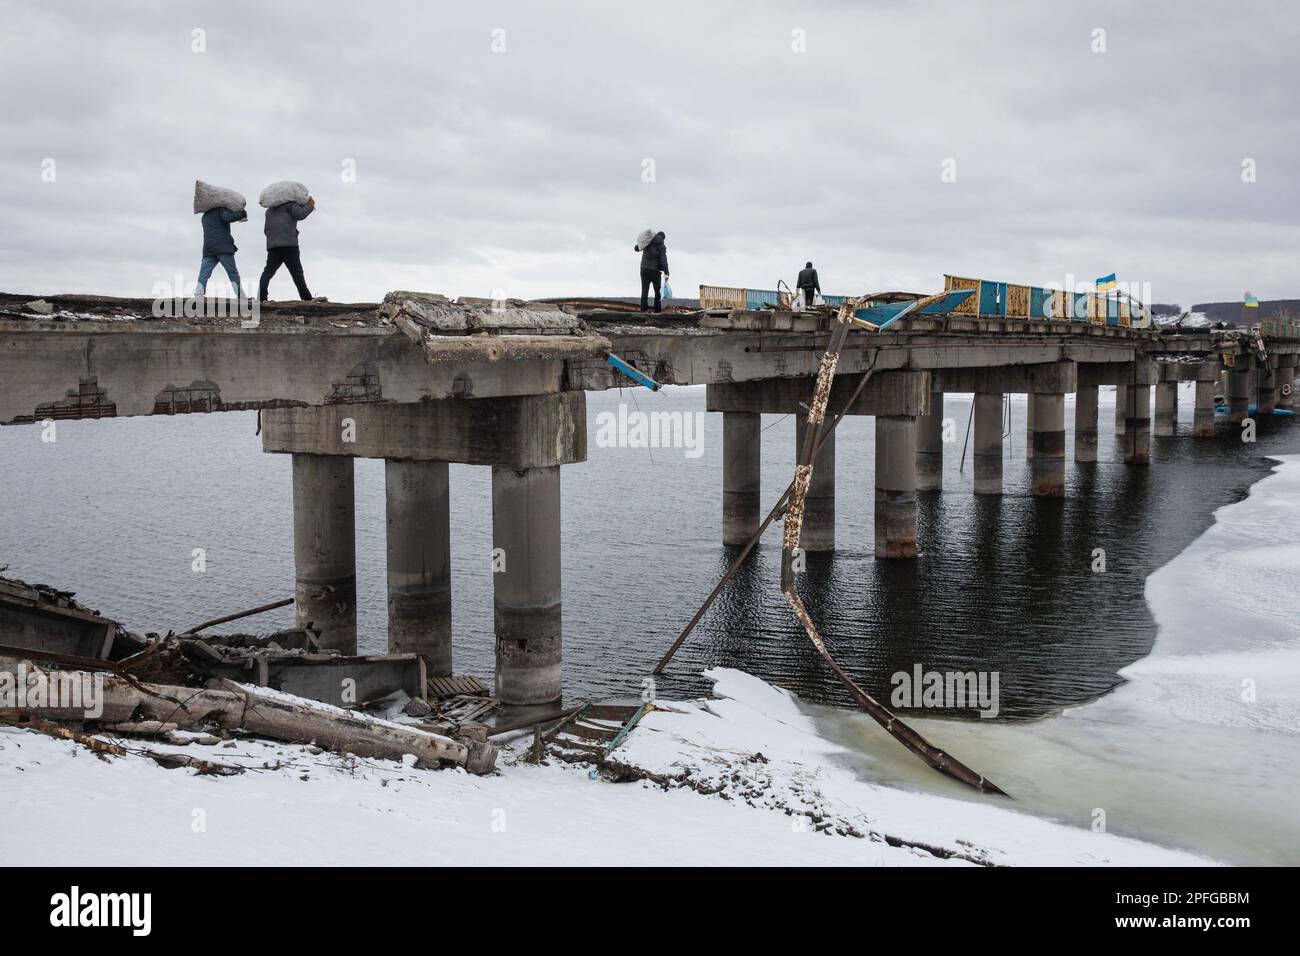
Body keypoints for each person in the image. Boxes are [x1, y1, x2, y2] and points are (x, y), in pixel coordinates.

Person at [258, 195, 316, 301]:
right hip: (289, 245)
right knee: (297, 273)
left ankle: (261, 298)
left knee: (268, 272)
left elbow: (266, 230)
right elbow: (300, 214)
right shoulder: (290, 205)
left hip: (273, 246)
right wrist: (310, 205)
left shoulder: (269, 211)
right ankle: (306, 298)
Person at [196, 206, 247, 299]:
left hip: (209, 248)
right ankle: (240, 296)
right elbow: (228, 217)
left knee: (204, 272)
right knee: (232, 272)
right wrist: (241, 214)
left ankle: (198, 294)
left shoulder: (205, 216)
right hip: (223, 247)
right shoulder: (220, 210)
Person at [635, 228, 670, 312]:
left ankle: (643, 310)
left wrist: (638, 245)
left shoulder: (648, 241)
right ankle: (657, 310)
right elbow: (663, 260)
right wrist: (666, 273)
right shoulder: (662, 246)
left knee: (644, 291)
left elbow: (636, 248)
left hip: (644, 269)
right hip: (655, 271)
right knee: (657, 292)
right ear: (663, 238)